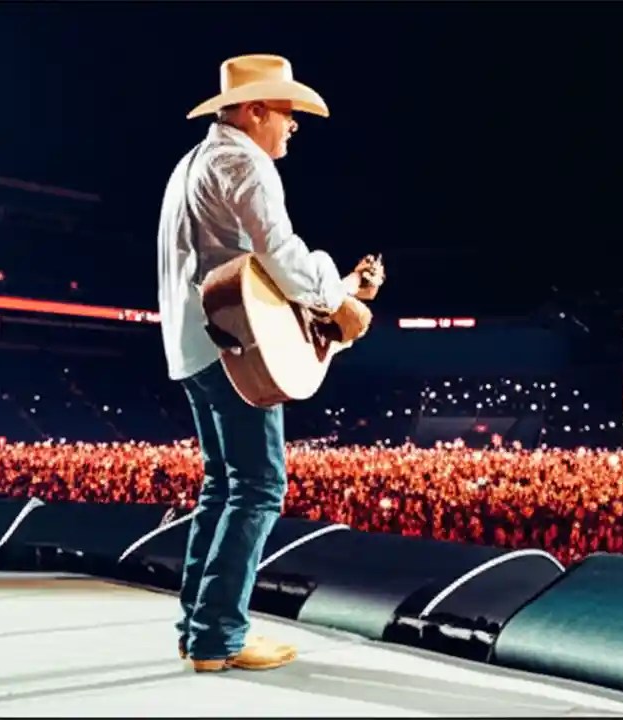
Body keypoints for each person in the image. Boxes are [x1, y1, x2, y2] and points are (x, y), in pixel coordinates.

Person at [156, 54, 383, 673]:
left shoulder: (191, 165)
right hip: (235, 354)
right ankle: (218, 637)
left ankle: (196, 629)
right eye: (286, 112)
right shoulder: (243, 163)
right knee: (258, 487)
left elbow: (246, 273)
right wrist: (340, 302)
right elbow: (278, 255)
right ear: (254, 110)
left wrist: (339, 287)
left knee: (221, 488)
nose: (293, 126)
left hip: (197, 349)